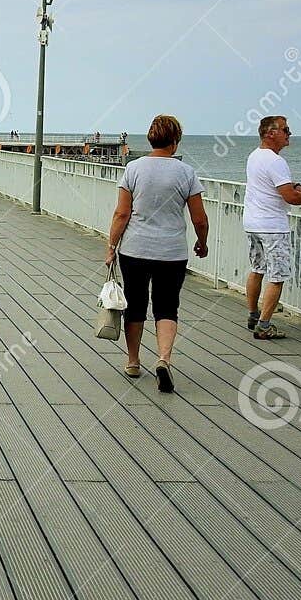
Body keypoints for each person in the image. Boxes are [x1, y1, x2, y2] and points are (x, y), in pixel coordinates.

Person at [103, 114, 208, 393]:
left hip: (135, 249)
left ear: (152, 138)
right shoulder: (186, 173)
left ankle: (134, 361)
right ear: (175, 141)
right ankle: (163, 359)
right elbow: (199, 218)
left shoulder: (134, 169)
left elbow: (122, 213)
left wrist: (111, 247)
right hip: (172, 252)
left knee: (135, 305)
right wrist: (202, 242)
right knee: (167, 306)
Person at [244, 115, 301, 340]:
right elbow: (290, 197)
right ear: (270, 133)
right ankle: (264, 325)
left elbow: (274, 186)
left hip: (252, 222)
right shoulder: (276, 161)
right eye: (285, 130)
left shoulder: (254, 156)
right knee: (277, 276)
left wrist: (293, 186)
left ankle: (253, 315)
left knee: (257, 269)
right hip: (272, 227)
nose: (289, 134)